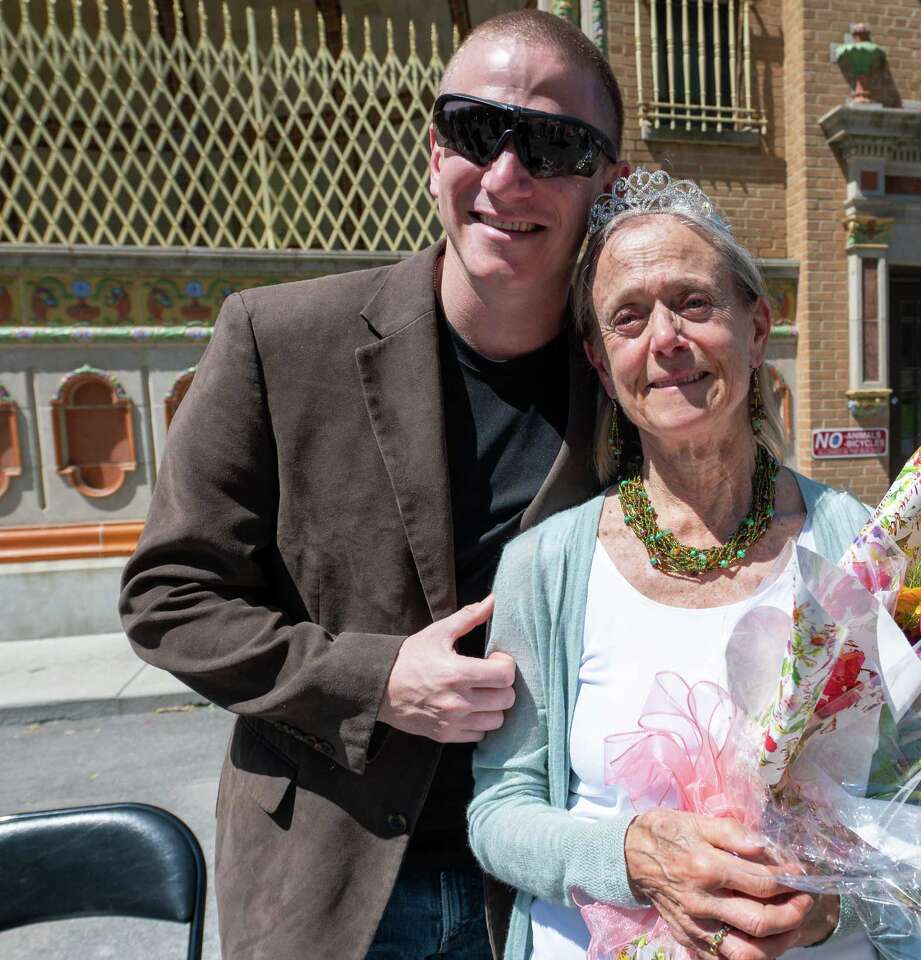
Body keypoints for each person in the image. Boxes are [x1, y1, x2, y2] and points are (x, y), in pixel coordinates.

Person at [119, 12, 629, 960]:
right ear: (436, 151)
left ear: (610, 180)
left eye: (555, 143)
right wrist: (374, 678)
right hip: (328, 878)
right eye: (478, 131)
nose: (507, 175)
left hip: (545, 892)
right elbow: (166, 599)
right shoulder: (278, 338)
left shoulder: (632, 380)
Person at [468, 170, 879, 960]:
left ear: (757, 329)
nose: (666, 340)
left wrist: (830, 904)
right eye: (628, 318)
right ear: (599, 360)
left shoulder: (853, 540)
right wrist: (631, 857)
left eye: (694, 302)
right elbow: (498, 811)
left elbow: (919, 789)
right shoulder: (546, 565)